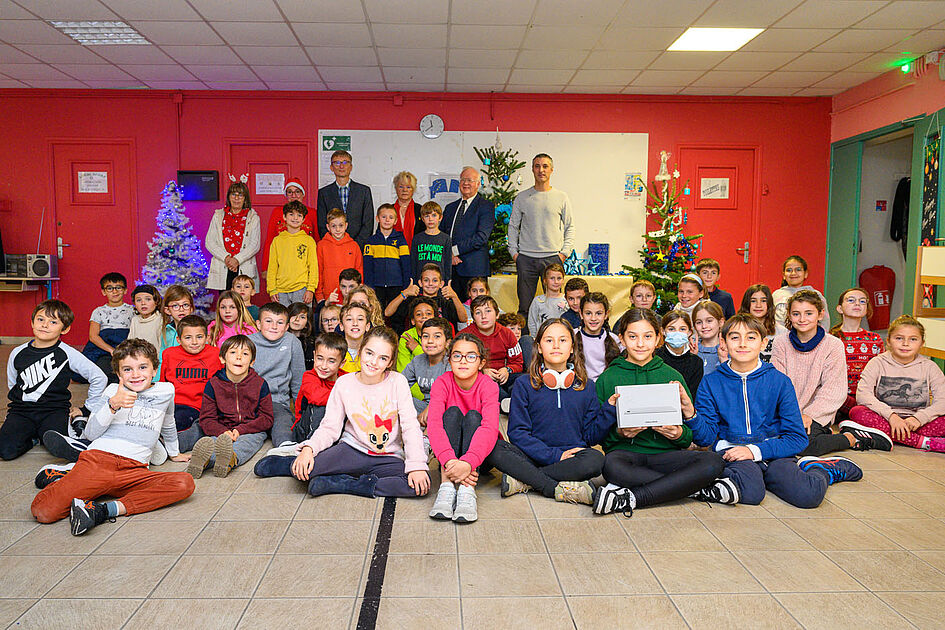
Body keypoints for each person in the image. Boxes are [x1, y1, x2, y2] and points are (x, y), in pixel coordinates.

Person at [690, 314, 862, 508]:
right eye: (735, 337)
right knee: (752, 492)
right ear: (723, 342)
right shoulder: (711, 382)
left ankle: (820, 468)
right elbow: (705, 438)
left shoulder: (779, 381)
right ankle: (755, 478)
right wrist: (691, 415)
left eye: (751, 337)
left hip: (774, 452)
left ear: (764, 343)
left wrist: (755, 451)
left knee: (808, 496)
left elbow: (797, 438)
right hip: (733, 452)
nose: (742, 344)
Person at [31, 338, 193, 535]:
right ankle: (68, 475)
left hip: (135, 469)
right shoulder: (111, 391)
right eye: (127, 370)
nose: (135, 375)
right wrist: (112, 406)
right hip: (98, 462)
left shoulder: (166, 391)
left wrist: (174, 453)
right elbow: (90, 433)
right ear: (118, 374)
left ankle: (103, 510)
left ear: (154, 369)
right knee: (43, 511)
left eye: (143, 367)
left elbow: (168, 423)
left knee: (184, 483)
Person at [255, 327, 431, 500]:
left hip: (387, 457)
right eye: (369, 353)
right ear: (361, 351)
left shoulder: (397, 382)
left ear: (390, 362)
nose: (374, 361)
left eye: (383, 358)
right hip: (351, 450)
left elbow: (410, 426)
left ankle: (345, 484)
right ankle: (288, 464)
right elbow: (330, 427)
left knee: (420, 485)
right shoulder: (344, 383)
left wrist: (417, 466)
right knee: (306, 471)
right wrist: (309, 449)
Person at [590, 308, 725, 516]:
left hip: (667, 456)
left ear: (658, 338)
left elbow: (693, 438)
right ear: (622, 339)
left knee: (713, 462)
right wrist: (619, 433)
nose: (641, 344)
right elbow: (597, 435)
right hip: (626, 458)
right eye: (632, 337)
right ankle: (691, 488)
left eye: (647, 336)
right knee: (610, 466)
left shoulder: (672, 376)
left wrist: (680, 434)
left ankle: (632, 498)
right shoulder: (608, 378)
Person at [502, 319, 613, 505]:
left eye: (562, 340)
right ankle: (556, 486)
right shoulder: (523, 384)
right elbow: (517, 433)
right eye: (549, 340)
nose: (555, 346)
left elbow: (590, 437)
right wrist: (554, 455)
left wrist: (609, 410)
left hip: (572, 459)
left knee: (596, 460)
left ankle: (526, 481)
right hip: (533, 456)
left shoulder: (586, 387)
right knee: (496, 448)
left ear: (572, 348)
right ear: (538, 347)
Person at [1, 300, 107, 461]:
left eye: (53, 322)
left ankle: (77, 423)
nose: (45, 325)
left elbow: (99, 377)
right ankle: (33, 438)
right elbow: (13, 383)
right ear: (32, 322)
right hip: (21, 412)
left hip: (54, 411)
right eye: (40, 319)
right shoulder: (17, 352)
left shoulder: (67, 353)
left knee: (60, 444)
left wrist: (87, 409)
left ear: (65, 329)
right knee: (6, 452)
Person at [772, 290, 863, 456]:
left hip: (817, 413)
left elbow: (834, 390)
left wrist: (809, 415)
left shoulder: (833, 345)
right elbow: (778, 384)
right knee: (770, 440)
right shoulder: (781, 342)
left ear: (820, 314)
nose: (802, 319)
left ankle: (849, 438)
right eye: (796, 314)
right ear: (790, 316)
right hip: (785, 411)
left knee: (802, 446)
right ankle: (822, 435)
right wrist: (790, 415)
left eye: (808, 313)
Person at [425, 333, 500, 522]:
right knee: (451, 413)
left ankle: (467, 490)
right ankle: (446, 486)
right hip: (448, 459)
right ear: (449, 360)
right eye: (457, 355)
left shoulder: (488, 385)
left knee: (474, 417)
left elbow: (490, 428)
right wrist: (450, 461)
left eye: (471, 356)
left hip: (480, 457)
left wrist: (468, 463)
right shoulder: (442, 382)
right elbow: (434, 425)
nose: (463, 361)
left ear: (481, 362)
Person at [845, 315, 945, 453]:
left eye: (913, 339)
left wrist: (919, 418)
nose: (905, 343)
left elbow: (942, 401)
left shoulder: (930, 367)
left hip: (917, 423)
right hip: (884, 418)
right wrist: (892, 416)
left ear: (922, 343)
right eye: (899, 338)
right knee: (857, 412)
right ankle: (922, 442)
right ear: (889, 341)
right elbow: (863, 395)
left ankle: (889, 436)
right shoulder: (877, 363)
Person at [183, 335, 273, 478]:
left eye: (245, 354)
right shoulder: (213, 384)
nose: (239, 357)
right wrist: (222, 431)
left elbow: (267, 418)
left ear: (252, 361)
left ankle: (230, 459)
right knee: (211, 440)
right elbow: (207, 419)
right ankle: (202, 460)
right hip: (221, 428)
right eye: (233, 352)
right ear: (222, 359)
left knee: (248, 443)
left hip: (249, 429)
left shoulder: (260, 384)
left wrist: (242, 429)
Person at [508, 153, 575, 320]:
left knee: (556, 306)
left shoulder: (561, 197)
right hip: (526, 259)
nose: (541, 170)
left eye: (545, 166)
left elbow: (570, 226)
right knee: (524, 307)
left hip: (553, 258)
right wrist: (514, 253)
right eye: (537, 166)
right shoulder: (522, 197)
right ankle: (524, 343)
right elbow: (513, 226)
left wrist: (564, 252)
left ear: (552, 170)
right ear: (532, 169)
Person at [249, 302, 306, 448]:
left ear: (287, 327)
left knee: (283, 424)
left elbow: (298, 381)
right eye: (268, 321)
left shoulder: (292, 342)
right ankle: (232, 456)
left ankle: (285, 449)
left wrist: (300, 413)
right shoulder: (248, 342)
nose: (274, 326)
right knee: (250, 435)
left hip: (277, 401)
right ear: (258, 324)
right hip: (250, 402)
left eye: (280, 322)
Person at [442, 166, 495, 303]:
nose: (466, 183)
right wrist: (449, 254)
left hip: (474, 271)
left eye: (470, 180)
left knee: (477, 309)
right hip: (450, 270)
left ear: (478, 184)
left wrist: (454, 250)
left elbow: (481, 237)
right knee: (453, 309)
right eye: (463, 180)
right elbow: (442, 236)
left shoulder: (486, 206)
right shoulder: (450, 208)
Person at [159, 315, 221, 433]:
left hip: (199, 406)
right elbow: (163, 383)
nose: (194, 342)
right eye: (188, 338)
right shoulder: (169, 354)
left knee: (179, 422)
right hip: (172, 404)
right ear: (178, 339)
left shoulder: (216, 354)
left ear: (207, 337)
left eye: (199, 337)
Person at [830, 287, 884, 414]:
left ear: (866, 309)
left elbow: (882, 371)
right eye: (851, 300)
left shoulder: (874, 339)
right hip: (839, 399)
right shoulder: (831, 339)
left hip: (867, 398)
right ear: (840, 308)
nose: (857, 304)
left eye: (862, 301)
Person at [289, 332, 347, 446]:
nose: (324, 366)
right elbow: (317, 397)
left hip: (332, 429)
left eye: (331, 361)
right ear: (314, 355)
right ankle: (311, 447)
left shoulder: (346, 379)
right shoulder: (309, 376)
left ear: (342, 363)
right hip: (303, 431)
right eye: (320, 358)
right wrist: (345, 398)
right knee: (321, 405)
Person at [205, 176, 260, 291]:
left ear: (245, 198)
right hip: (223, 264)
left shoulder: (253, 217)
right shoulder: (218, 216)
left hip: (243, 266)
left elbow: (255, 244)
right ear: (228, 197)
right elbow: (209, 242)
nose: (236, 198)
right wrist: (227, 258)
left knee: (243, 302)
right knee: (225, 302)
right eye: (233, 194)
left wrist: (237, 260)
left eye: (240, 195)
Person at [467, 294, 523, 400]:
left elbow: (518, 362)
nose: (484, 316)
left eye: (488, 311)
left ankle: (511, 399)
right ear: (473, 318)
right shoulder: (465, 336)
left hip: (503, 375)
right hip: (479, 377)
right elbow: (459, 366)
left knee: (522, 380)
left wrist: (507, 370)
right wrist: (482, 371)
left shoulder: (507, 333)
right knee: (491, 388)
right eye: (478, 312)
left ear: (497, 315)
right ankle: (508, 402)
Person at [80, 272, 132, 383]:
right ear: (103, 292)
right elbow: (93, 336)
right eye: (110, 288)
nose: (115, 291)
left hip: (125, 345)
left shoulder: (132, 310)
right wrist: (111, 350)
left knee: (129, 367)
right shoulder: (98, 311)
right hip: (105, 348)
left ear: (125, 290)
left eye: (118, 287)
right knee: (103, 369)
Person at [385, 264, 464, 334]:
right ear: (420, 283)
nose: (430, 283)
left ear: (441, 284)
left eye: (435, 280)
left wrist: (454, 296)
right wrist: (404, 293)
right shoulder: (413, 301)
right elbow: (387, 313)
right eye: (426, 280)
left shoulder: (445, 303)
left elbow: (463, 319)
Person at [317, 150, 374, 247]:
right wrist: (334, 244)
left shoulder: (364, 191)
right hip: (333, 248)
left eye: (345, 162)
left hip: (358, 247)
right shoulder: (324, 193)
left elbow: (368, 223)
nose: (341, 166)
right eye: (337, 163)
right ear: (331, 167)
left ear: (351, 167)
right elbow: (322, 224)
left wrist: (356, 245)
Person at [267, 200, 319, 306]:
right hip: (280, 290)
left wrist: (311, 289)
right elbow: (272, 267)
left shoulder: (309, 241)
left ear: (304, 219)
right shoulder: (277, 241)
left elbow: (313, 267)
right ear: (284, 217)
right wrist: (272, 289)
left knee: (301, 320)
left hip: (302, 289)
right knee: (282, 320)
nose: (295, 218)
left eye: (299, 215)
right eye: (291, 214)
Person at [261, 176, 317, 274]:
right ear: (286, 195)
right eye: (290, 192)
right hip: (282, 264)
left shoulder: (312, 213)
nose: (294, 195)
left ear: (303, 194)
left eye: (297, 191)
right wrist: (266, 267)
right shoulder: (277, 212)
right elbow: (269, 240)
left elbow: (317, 240)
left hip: (304, 265)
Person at [363, 203, 411, 308]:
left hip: (397, 286)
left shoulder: (401, 240)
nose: (387, 220)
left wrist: (406, 287)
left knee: (397, 317)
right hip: (377, 286)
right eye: (383, 217)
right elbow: (367, 267)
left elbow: (406, 266)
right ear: (377, 218)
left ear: (395, 221)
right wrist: (369, 288)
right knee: (377, 315)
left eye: (391, 217)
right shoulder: (371, 241)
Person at [403, 316, 451, 421]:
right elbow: (400, 382)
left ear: (448, 342)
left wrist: (432, 408)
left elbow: (449, 394)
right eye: (425, 336)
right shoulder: (417, 361)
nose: (430, 341)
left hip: (446, 408)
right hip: (423, 407)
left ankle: (426, 433)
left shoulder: (450, 362)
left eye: (437, 336)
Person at [315, 209, 363, 305]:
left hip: (350, 295)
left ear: (346, 225)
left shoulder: (354, 246)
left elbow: (359, 271)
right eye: (333, 226)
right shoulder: (321, 246)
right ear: (328, 227)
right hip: (329, 296)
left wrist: (358, 293)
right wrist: (319, 295)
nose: (337, 229)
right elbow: (318, 271)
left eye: (341, 225)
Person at [772, 255, 830, 328]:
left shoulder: (816, 295)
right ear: (783, 275)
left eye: (798, 269)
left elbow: (825, 322)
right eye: (789, 270)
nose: (793, 273)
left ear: (805, 274)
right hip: (781, 337)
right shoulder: (776, 295)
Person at [573, 292, 621, 381]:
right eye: (588, 313)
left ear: (606, 314)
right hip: (579, 386)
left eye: (598, 313)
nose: (593, 318)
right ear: (581, 314)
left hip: (605, 386)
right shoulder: (571, 336)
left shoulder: (614, 339)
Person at [656, 310, 703, 395]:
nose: (677, 333)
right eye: (671, 329)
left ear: (689, 332)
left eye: (682, 329)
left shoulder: (696, 362)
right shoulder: (655, 357)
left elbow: (693, 395)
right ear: (663, 331)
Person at [410, 201, 452, 283]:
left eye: (434, 215)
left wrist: (447, 282)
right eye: (426, 216)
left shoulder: (446, 239)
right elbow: (413, 263)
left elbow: (448, 264)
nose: (430, 219)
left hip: (439, 283)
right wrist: (414, 282)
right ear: (422, 219)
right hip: (421, 282)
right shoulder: (417, 238)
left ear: (440, 217)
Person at [738, 284, 781, 362]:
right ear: (747, 303)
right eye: (753, 301)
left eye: (763, 301)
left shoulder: (781, 332)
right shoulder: (737, 328)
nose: (758, 305)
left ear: (769, 304)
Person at [397, 297, 437, 373]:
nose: (424, 316)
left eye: (428, 313)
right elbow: (404, 372)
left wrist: (417, 349)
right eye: (419, 314)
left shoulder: (441, 335)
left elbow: (438, 366)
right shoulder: (407, 337)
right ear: (413, 321)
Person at [527, 262, 568, 335]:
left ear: (563, 280)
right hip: (543, 339)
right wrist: (535, 337)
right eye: (552, 278)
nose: (556, 282)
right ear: (545, 281)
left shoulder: (567, 300)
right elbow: (532, 322)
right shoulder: (538, 301)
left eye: (559, 278)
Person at [692, 300, 726, 376]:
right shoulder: (691, 349)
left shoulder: (729, 349)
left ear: (721, 322)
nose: (704, 326)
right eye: (699, 322)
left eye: (709, 321)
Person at [391, 171, 423, 244]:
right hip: (391, 252)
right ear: (396, 189)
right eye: (401, 186)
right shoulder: (388, 210)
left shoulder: (421, 210)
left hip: (415, 252)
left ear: (413, 190)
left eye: (408, 187)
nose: (404, 190)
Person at [128, 285, 164, 351]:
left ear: (156, 302)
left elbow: (162, 346)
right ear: (135, 304)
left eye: (148, 299)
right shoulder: (135, 320)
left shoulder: (160, 320)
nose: (143, 303)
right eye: (139, 300)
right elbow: (130, 342)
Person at [340, 302, 372, 373]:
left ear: (367, 326)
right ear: (341, 326)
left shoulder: (373, 354)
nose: (355, 323)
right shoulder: (335, 351)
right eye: (349, 319)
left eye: (360, 319)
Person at [287, 303, 316, 371]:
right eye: (294, 315)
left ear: (307, 323)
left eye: (302, 317)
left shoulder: (312, 343)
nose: (297, 319)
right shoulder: (281, 340)